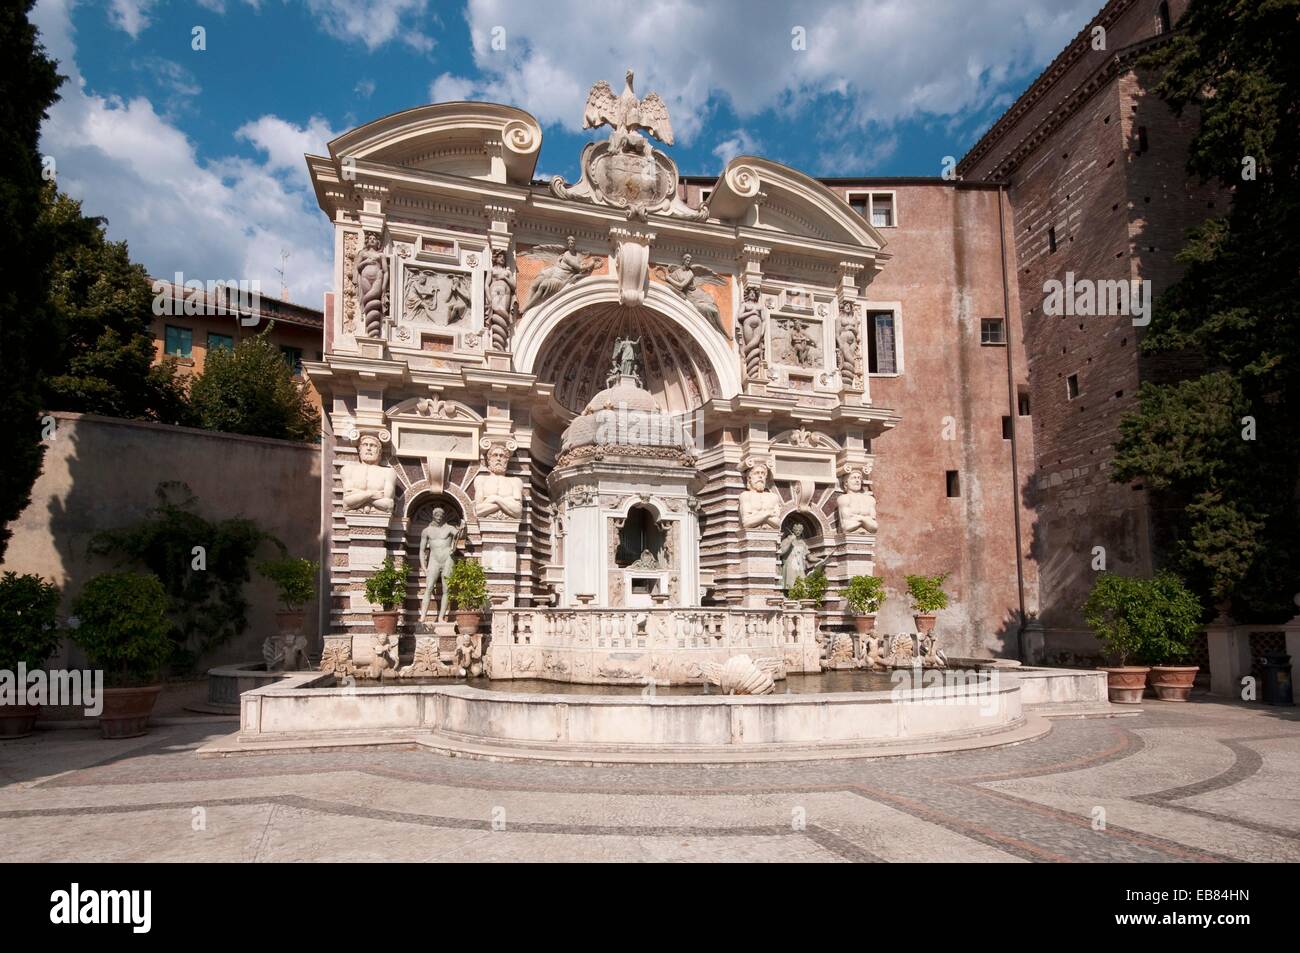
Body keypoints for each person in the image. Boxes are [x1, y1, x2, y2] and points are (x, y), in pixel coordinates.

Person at [419, 507, 461, 622]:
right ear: (433, 516)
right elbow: (422, 550)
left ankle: (441, 617)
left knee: (446, 589)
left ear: (444, 516)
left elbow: (460, 535)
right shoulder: (426, 531)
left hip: (448, 558)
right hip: (434, 560)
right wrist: (423, 566)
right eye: (437, 514)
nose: (439, 516)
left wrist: (461, 529)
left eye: (441, 514)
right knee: (429, 587)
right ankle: (423, 616)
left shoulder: (450, 528)